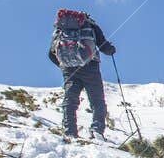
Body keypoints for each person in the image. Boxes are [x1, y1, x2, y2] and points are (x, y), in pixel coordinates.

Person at [48, 8, 116, 140]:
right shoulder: (90, 25)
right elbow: (104, 47)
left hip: (68, 69)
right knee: (97, 100)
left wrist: (64, 66)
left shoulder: (60, 29)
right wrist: (112, 50)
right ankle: (97, 130)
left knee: (70, 100)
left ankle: (69, 131)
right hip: (90, 66)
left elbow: (51, 54)